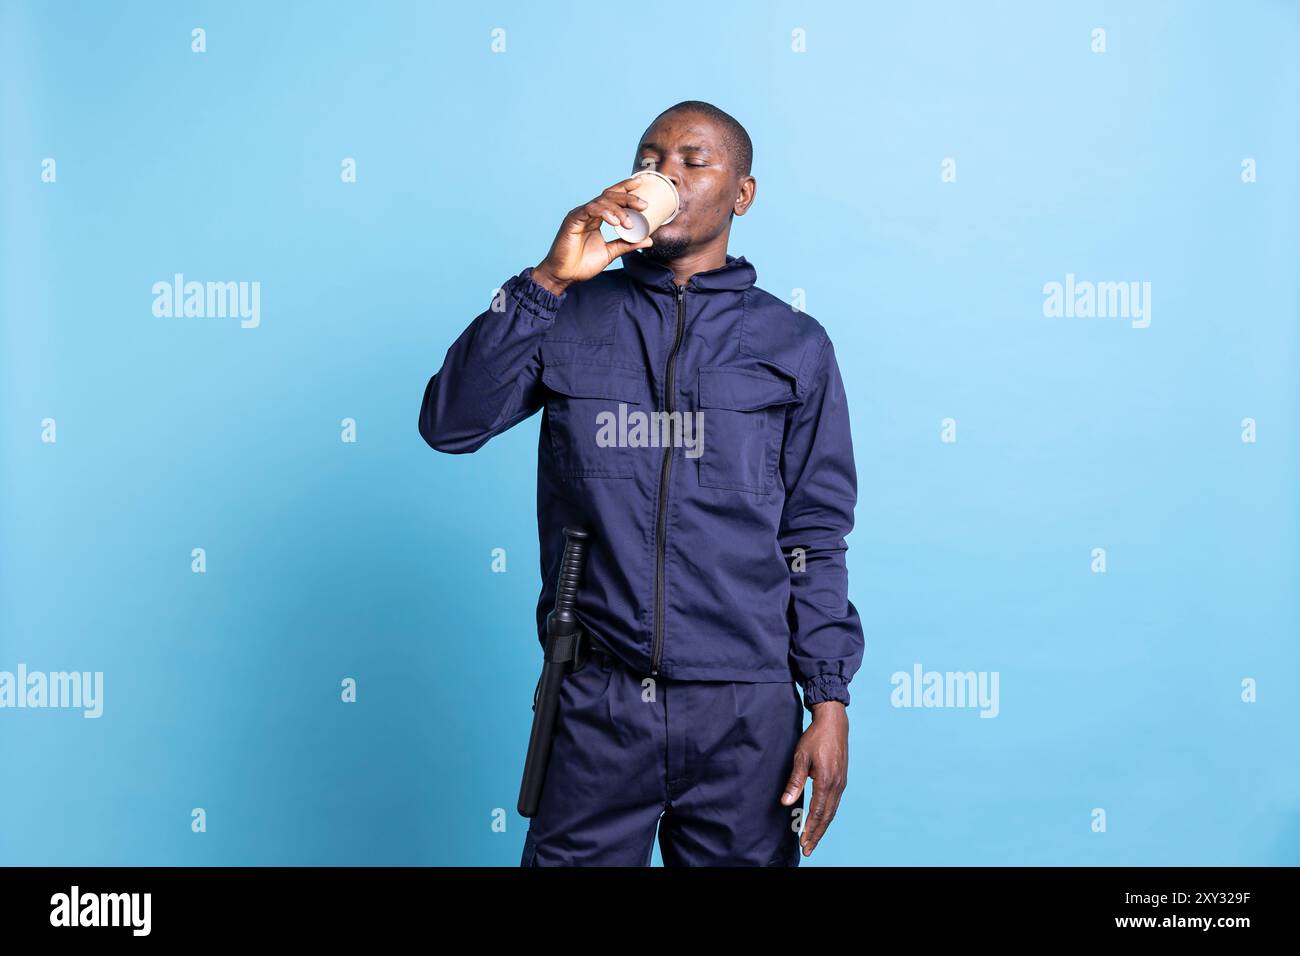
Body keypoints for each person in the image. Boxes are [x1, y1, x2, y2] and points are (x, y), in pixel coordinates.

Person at [419, 100, 864, 866]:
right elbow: (450, 424)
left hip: (745, 710)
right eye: (652, 158)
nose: (665, 174)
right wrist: (548, 280)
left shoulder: (794, 343)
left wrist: (828, 699)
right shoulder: (564, 314)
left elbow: (815, 533)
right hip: (598, 699)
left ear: (742, 194)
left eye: (694, 160)